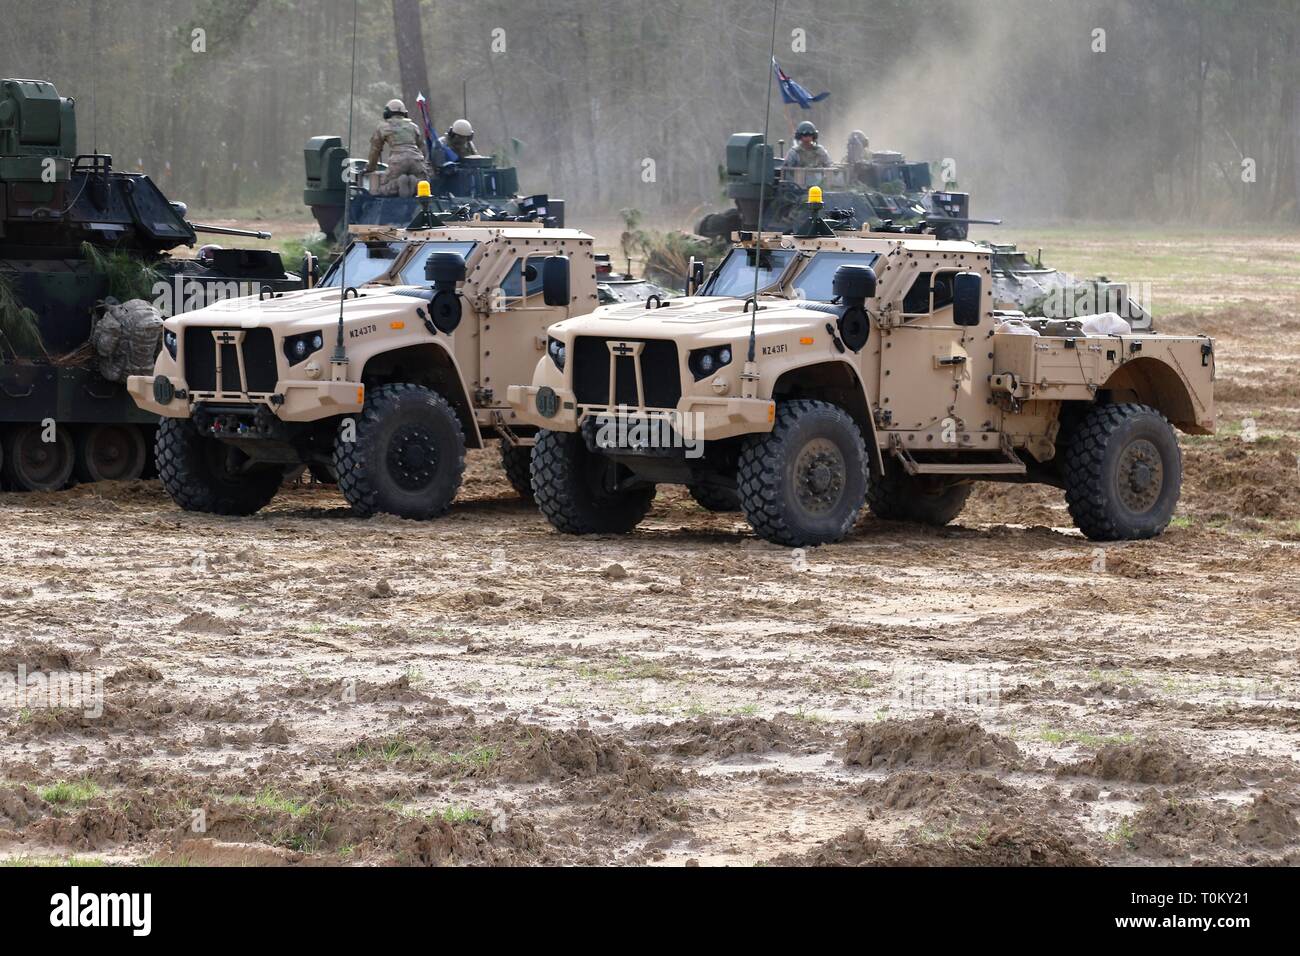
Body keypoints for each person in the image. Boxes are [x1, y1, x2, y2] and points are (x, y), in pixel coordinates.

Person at [365, 99, 430, 197]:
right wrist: (426, 166)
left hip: (397, 163)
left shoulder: (383, 127)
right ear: (405, 113)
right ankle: (415, 183)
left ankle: (398, 184)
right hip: (417, 162)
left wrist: (370, 168)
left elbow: (375, 150)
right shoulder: (414, 127)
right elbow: (423, 148)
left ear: (387, 113)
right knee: (424, 184)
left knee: (381, 189)